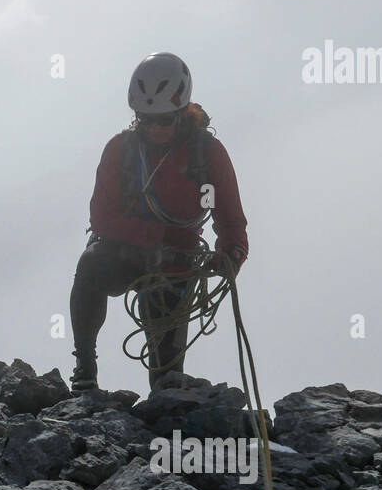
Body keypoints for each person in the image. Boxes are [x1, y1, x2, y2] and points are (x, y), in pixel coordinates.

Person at [69, 52, 248, 393]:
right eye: (145, 119)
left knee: (166, 378)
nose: (154, 128)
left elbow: (231, 222)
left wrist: (230, 256)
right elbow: (101, 217)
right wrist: (157, 237)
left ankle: (162, 415)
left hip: (175, 266)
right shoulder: (120, 150)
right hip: (125, 252)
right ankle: (85, 369)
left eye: (163, 120)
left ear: (182, 114)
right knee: (91, 264)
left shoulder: (207, 155)